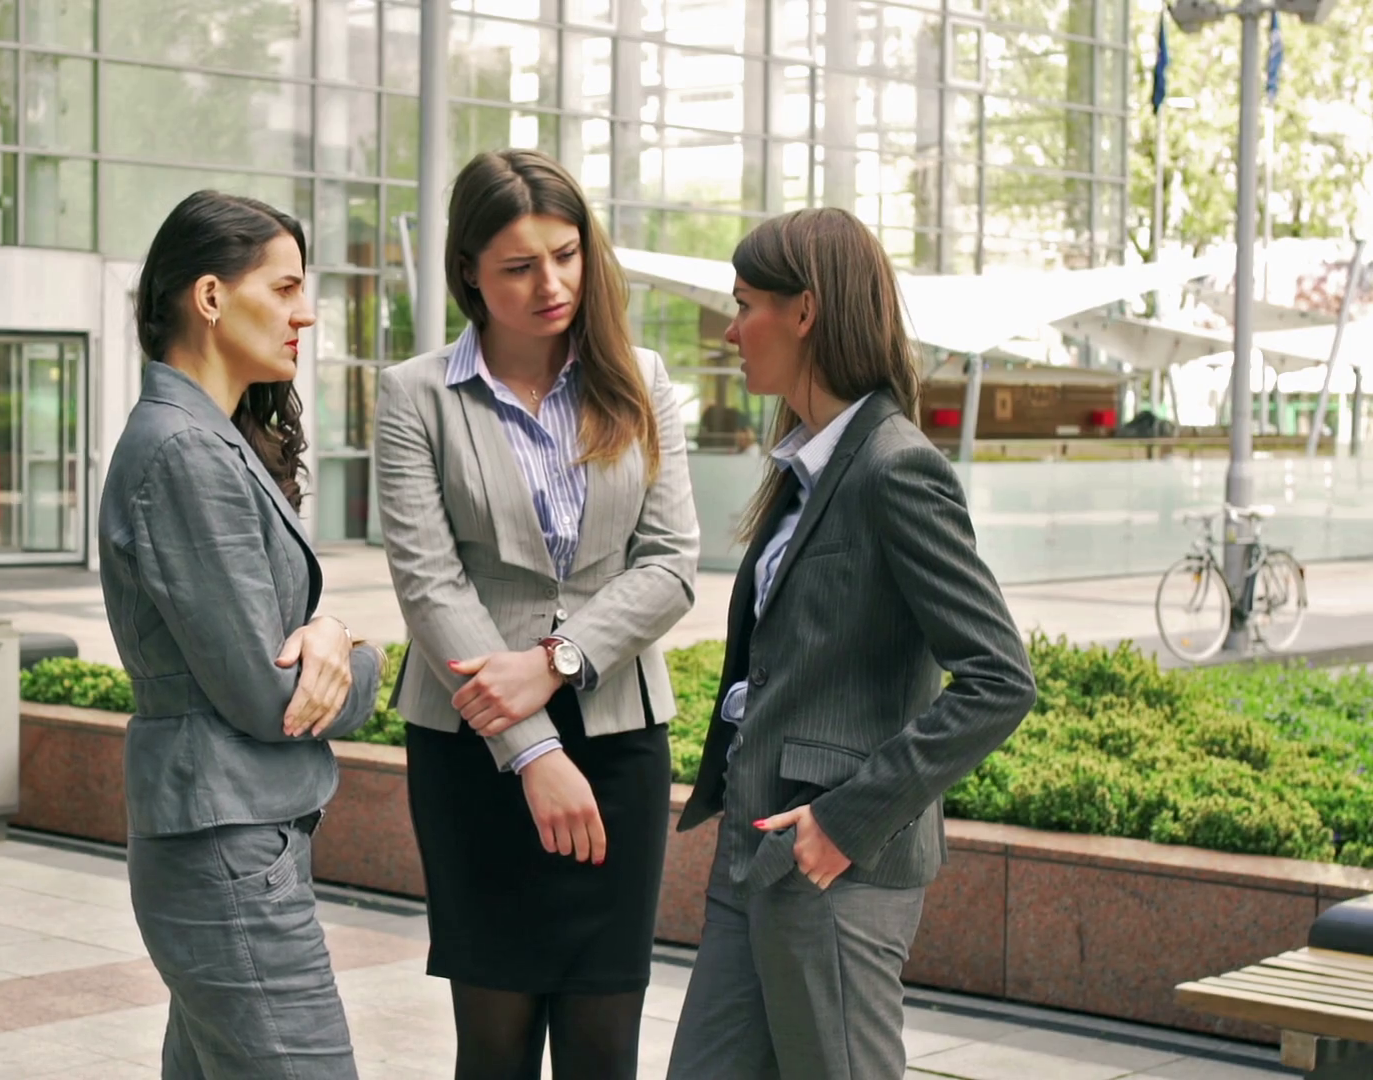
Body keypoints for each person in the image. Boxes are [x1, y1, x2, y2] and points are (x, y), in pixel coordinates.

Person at [666, 207, 1037, 1080]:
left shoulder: (892, 468)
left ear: (806, 312)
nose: (731, 327)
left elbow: (999, 678)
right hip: (756, 850)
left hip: (832, 865)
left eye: (746, 301)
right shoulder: (804, 469)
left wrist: (845, 821)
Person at [375, 149, 700, 1080]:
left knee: (605, 1040)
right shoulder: (416, 395)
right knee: (495, 1035)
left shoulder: (639, 378)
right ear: (469, 271)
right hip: (472, 744)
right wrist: (531, 747)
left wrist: (554, 661)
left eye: (566, 255)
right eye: (519, 266)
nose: (550, 284)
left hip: (617, 738)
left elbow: (672, 564)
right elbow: (429, 583)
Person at [99, 190, 386, 1079]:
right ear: (212, 298)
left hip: (233, 848)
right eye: (288, 286)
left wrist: (329, 629)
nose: (306, 314)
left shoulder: (208, 439)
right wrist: (357, 657)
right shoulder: (185, 450)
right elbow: (273, 694)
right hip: (228, 856)